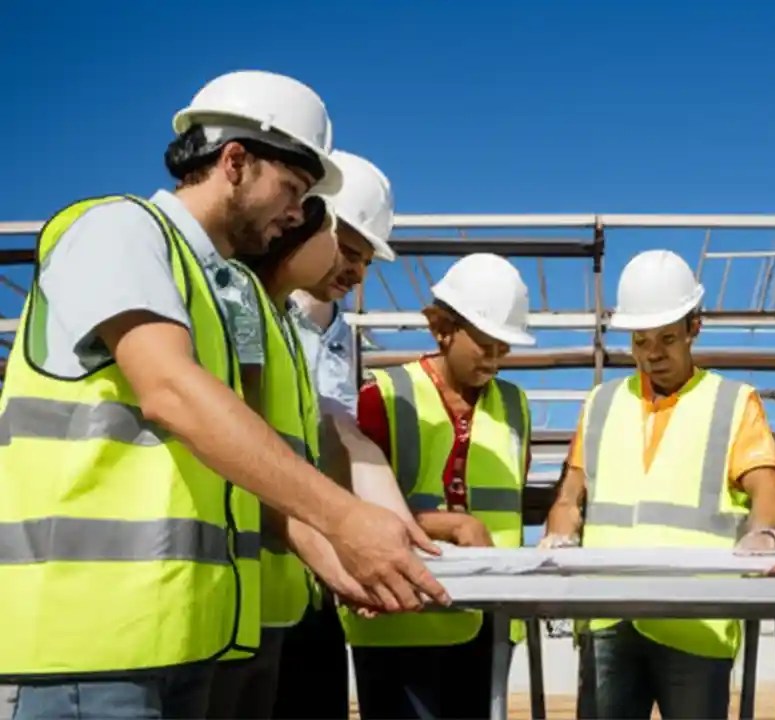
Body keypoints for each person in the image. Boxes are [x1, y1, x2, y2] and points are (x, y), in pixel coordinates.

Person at [0, 70, 447, 720]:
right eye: (293, 189)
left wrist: (333, 554)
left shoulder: (214, 290)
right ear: (234, 162)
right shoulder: (119, 230)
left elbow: (244, 468)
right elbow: (171, 392)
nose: (299, 215)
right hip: (93, 643)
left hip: (183, 638)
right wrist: (346, 518)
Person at [541, 249, 775, 720]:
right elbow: (569, 498)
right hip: (608, 616)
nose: (652, 353)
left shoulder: (733, 402)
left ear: (695, 326)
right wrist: (560, 536)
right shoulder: (601, 404)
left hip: (695, 621)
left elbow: (768, 490)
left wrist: (762, 532)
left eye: (667, 338)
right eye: (640, 340)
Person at [343, 252, 535, 720]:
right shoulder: (384, 396)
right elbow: (348, 509)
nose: (493, 360)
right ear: (440, 327)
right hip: (399, 619)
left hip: (486, 622)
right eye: (485, 344)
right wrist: (451, 525)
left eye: (504, 349)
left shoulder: (516, 406)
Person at [271, 149, 404, 720]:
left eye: (367, 261)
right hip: (260, 580)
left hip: (317, 588)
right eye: (349, 252)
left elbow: (342, 438)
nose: (357, 273)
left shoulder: (348, 345)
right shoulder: (258, 315)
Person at [208, 195, 352, 718]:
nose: (340, 252)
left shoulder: (288, 325)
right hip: (244, 603)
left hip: (284, 596)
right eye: (331, 233)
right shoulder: (245, 307)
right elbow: (247, 446)